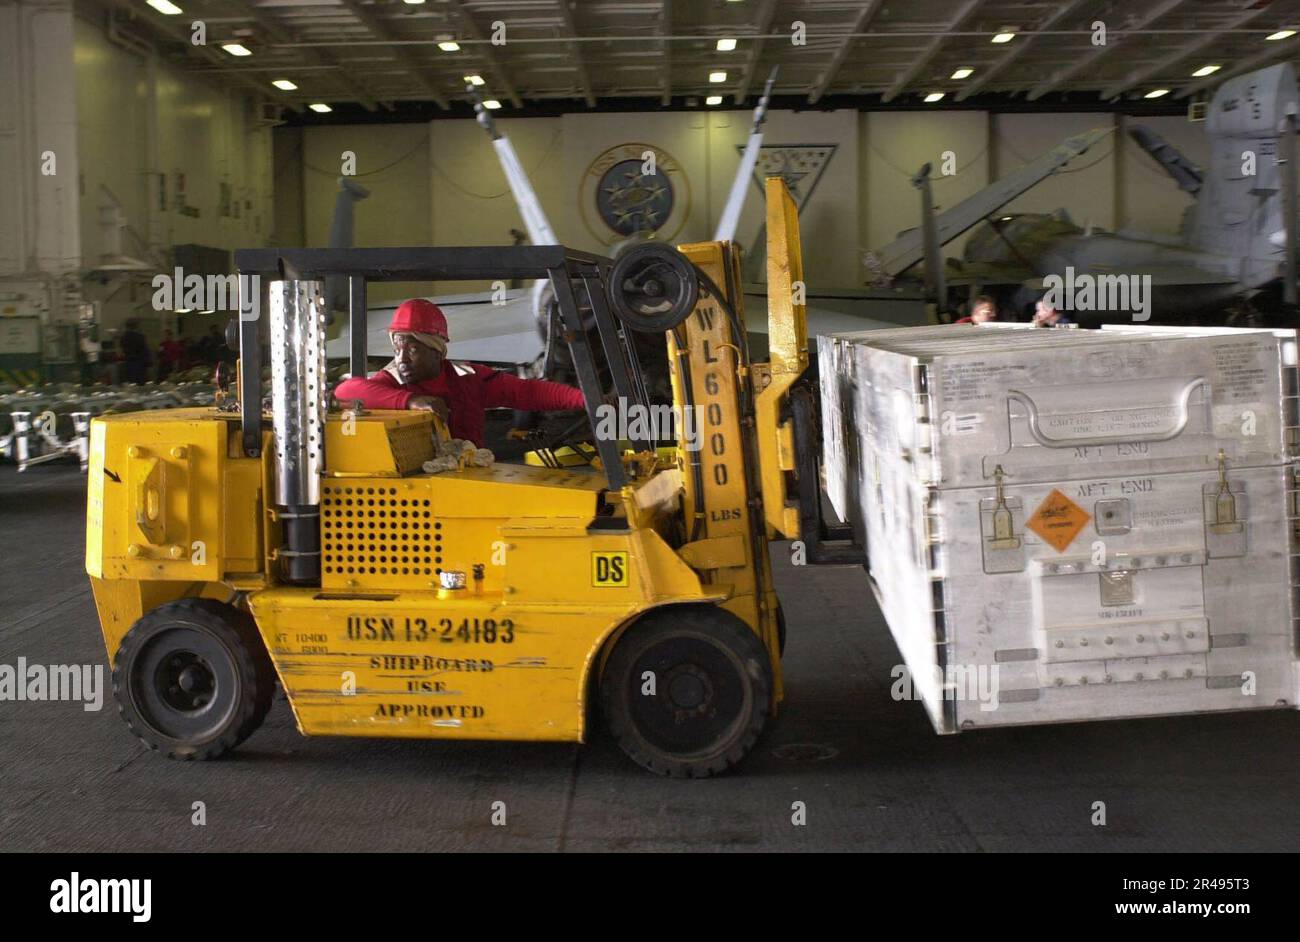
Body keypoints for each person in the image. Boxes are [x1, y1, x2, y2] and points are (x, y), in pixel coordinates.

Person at [333, 299, 586, 447]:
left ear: (437, 351)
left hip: (468, 481)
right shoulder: (393, 382)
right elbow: (346, 391)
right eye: (397, 348)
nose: (401, 359)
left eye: (412, 349)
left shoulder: (465, 376)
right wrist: (412, 401)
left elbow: (527, 392)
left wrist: (584, 399)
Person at [118, 319, 152, 385]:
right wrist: (149, 364)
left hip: (129, 363)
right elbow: (145, 351)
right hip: (140, 364)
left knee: (131, 384)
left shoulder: (123, 337)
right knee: (141, 384)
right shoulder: (140, 337)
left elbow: (121, 351)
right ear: (136, 326)